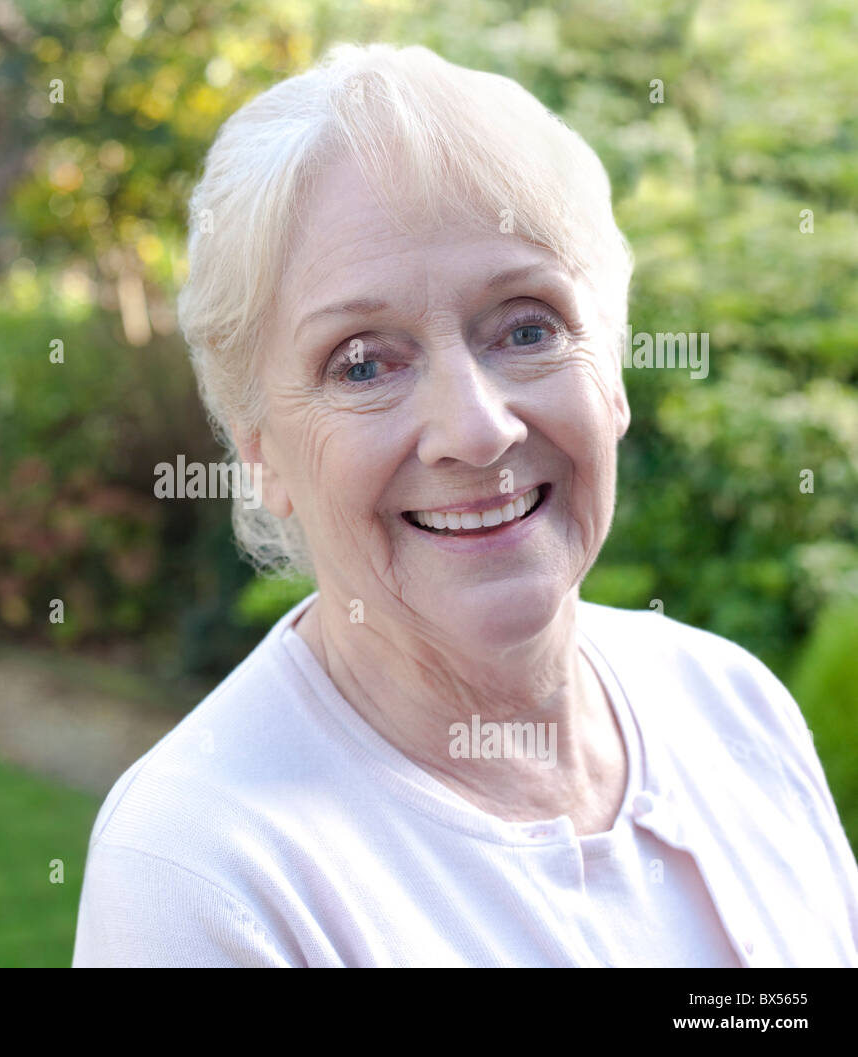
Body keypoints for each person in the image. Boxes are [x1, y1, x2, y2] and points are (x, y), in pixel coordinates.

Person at [71, 42, 858, 967]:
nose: (477, 431)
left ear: (609, 373)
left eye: (527, 327)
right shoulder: (203, 874)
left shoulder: (731, 703)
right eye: (362, 361)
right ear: (259, 453)